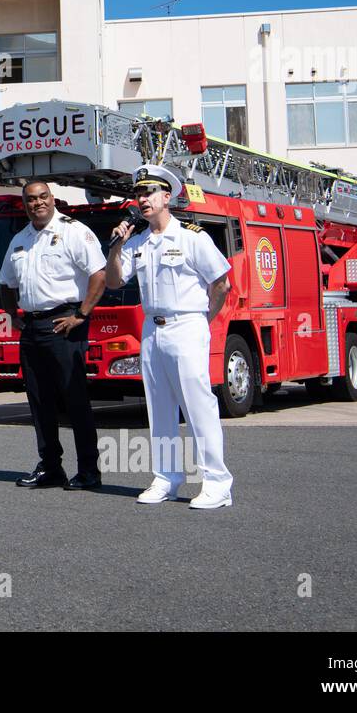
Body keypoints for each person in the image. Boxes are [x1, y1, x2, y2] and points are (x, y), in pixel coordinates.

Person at [105, 165, 234, 509]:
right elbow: (115, 282)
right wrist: (115, 248)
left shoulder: (192, 237)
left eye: (149, 193)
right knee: (159, 407)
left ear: (167, 197)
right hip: (152, 329)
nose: (142, 199)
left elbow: (221, 282)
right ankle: (166, 477)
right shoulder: (136, 242)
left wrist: (204, 319)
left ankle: (217, 482)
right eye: (139, 194)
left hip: (187, 325)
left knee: (198, 406)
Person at [0, 180, 107, 490]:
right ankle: (50, 467)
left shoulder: (73, 231)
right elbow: (5, 282)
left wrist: (81, 314)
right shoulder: (20, 240)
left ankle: (88, 470)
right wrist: (12, 316)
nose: (37, 203)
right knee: (39, 401)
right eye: (31, 199)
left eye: (43, 196)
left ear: (52, 198)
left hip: (64, 324)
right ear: (25, 204)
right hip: (31, 328)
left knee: (75, 401)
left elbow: (99, 273)